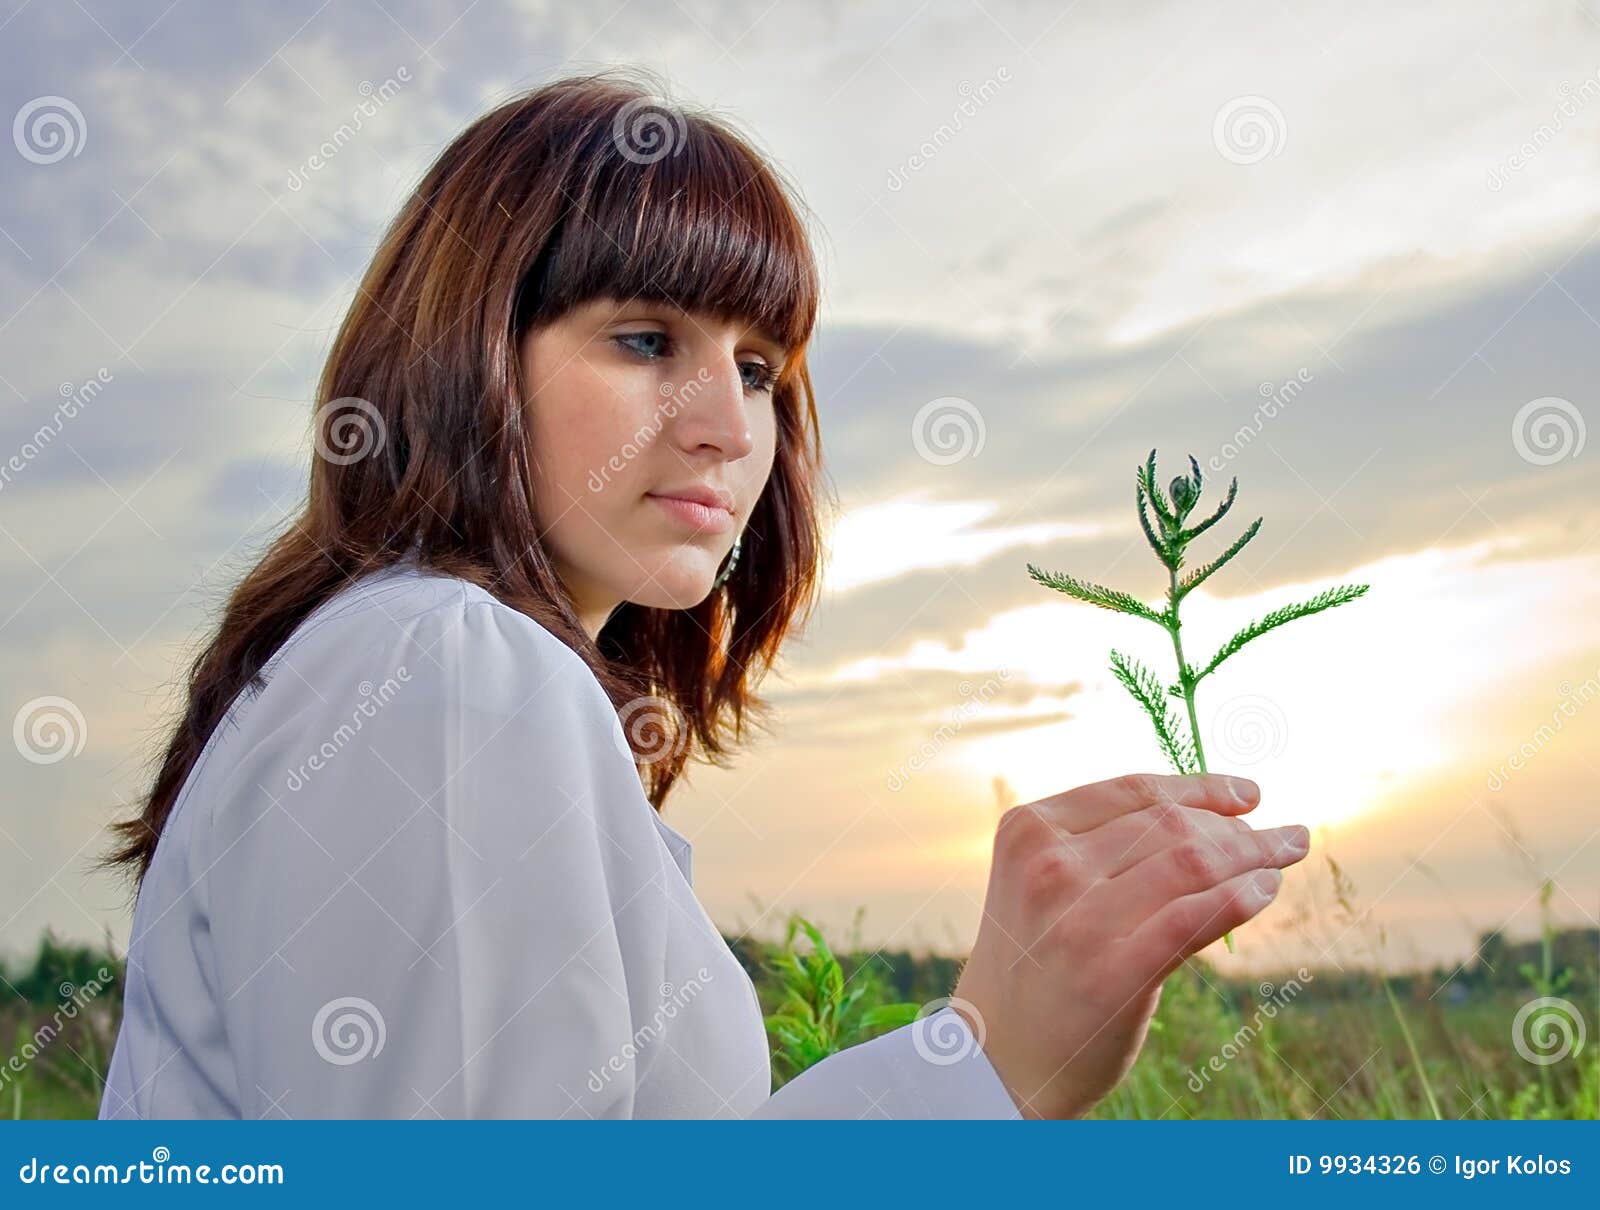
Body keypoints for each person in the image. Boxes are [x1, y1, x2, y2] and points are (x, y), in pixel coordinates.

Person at [95, 69, 1310, 1120]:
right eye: (642, 341)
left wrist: (983, 1058)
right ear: (465, 354)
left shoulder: (415, 665)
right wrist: (987, 1071)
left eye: (758, 367)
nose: (729, 427)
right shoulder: (447, 660)